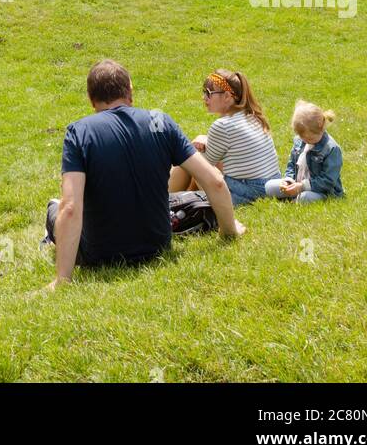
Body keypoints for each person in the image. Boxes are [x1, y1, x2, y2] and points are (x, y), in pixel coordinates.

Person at [44, 59, 244, 287]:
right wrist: (229, 231)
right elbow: (215, 181)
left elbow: (70, 208)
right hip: (157, 245)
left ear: (91, 99)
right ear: (130, 91)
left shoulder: (79, 132)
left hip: (99, 254)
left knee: (55, 207)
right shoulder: (160, 121)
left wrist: (62, 279)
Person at [170, 69, 280, 205]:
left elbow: (202, 165)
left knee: (188, 156)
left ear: (227, 96)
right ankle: (182, 196)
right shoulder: (252, 116)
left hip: (248, 193)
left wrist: (195, 145)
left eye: (209, 93)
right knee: (198, 152)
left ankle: (166, 199)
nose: (204, 97)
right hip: (271, 186)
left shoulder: (223, 125)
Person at [266, 100, 344, 203]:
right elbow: (292, 164)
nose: (306, 141)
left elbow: (328, 181)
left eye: (310, 138)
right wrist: (288, 180)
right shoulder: (300, 142)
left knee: (304, 198)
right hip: (297, 184)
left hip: (321, 191)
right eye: (302, 137)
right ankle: (293, 196)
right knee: (269, 186)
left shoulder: (331, 149)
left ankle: (296, 199)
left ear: (321, 128)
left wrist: (302, 186)